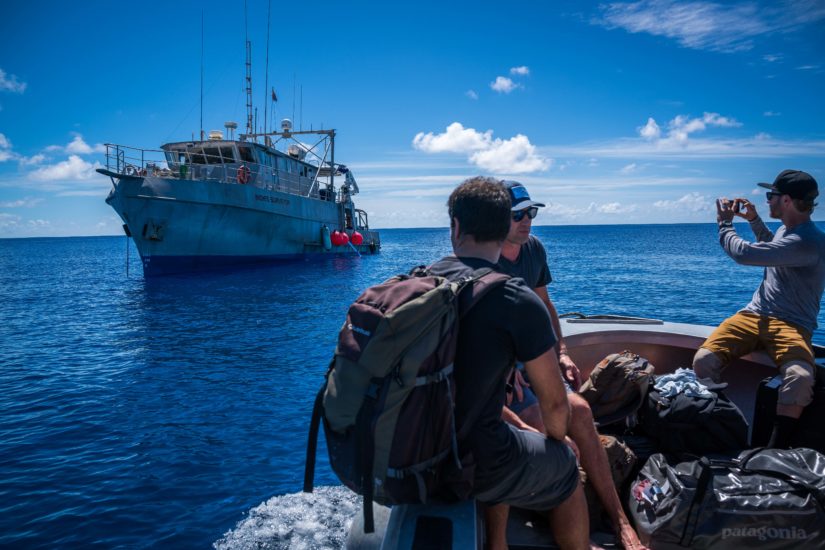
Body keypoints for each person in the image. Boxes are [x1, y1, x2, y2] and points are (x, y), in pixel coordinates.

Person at [427, 176, 589, 550]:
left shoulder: (424, 281)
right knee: (564, 463)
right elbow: (554, 404)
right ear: (505, 229)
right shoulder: (516, 298)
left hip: (419, 442)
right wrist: (557, 441)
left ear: (454, 226)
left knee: (507, 434)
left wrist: (517, 424)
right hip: (471, 458)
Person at [497, 181, 646, 550]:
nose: (527, 221)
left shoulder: (532, 250)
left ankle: (620, 521)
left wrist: (561, 351)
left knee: (579, 408)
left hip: (534, 361)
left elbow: (545, 304)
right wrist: (502, 368)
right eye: (518, 215)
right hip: (503, 377)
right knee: (556, 441)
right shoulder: (484, 261)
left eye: (531, 212)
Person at [693, 169, 825, 448]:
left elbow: (746, 254)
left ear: (786, 200)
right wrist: (754, 221)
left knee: (799, 378)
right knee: (704, 361)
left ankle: (775, 450)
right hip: (754, 315)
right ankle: (724, 423)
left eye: (771, 196)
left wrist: (725, 225)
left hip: (791, 324)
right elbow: (775, 248)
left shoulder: (809, 241)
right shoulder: (788, 230)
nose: (767, 200)